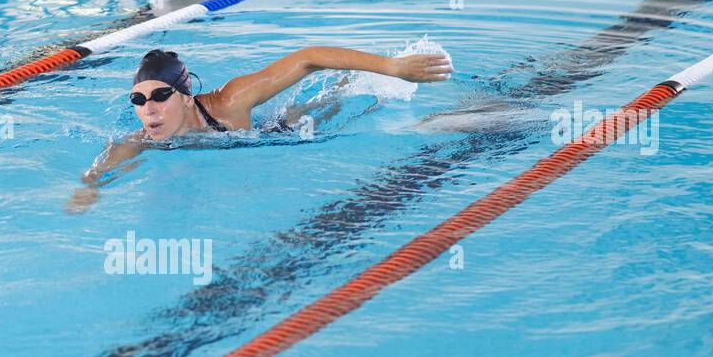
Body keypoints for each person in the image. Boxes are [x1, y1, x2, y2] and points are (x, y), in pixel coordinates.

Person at [68, 46, 452, 211]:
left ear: (186, 97)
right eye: (138, 100)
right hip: (243, 146)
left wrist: (393, 67)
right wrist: (89, 187)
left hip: (274, 135)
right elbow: (104, 165)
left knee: (318, 113)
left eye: (159, 96)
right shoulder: (143, 140)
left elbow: (307, 60)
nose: (148, 110)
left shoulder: (230, 101)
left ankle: (350, 85)